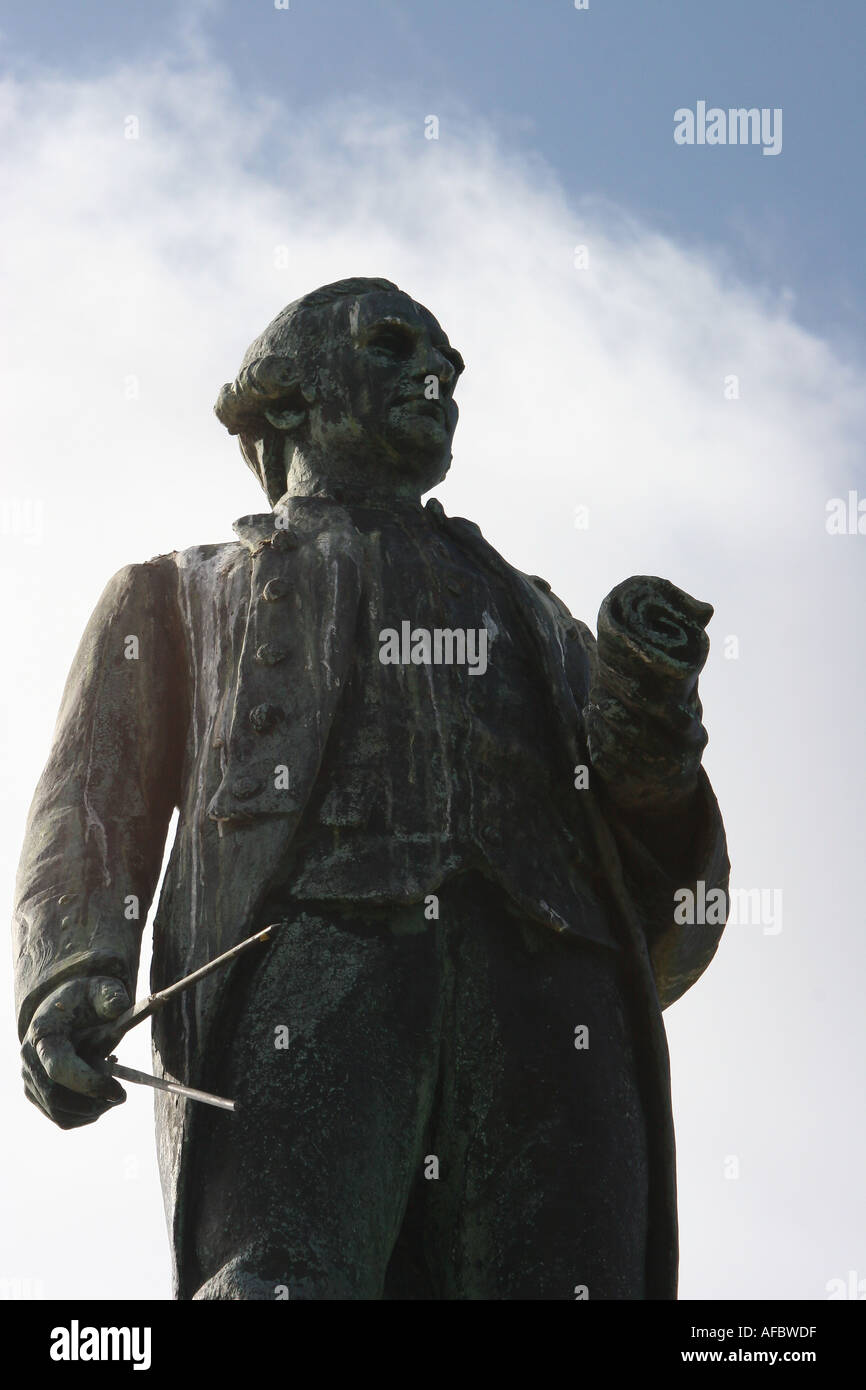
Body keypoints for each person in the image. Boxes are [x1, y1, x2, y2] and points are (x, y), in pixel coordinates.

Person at [14, 277, 729, 1299]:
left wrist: (649, 712)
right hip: (305, 965)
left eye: (445, 364)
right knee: (276, 1287)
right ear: (285, 394)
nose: (433, 375)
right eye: (391, 347)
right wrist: (71, 973)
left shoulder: (534, 614)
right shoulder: (175, 593)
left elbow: (645, 827)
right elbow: (88, 802)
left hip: (551, 980)